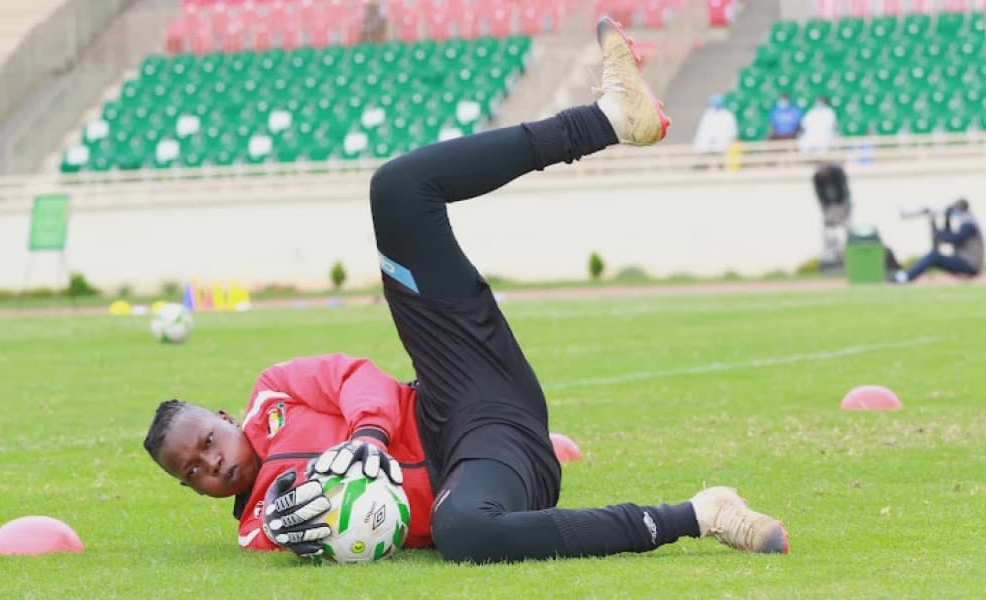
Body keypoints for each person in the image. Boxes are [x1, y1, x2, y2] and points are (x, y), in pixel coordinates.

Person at [143, 18, 789, 564]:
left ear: (225, 418)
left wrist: (367, 438)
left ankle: (607, 119)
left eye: (207, 443)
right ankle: (703, 513)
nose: (210, 465)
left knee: (396, 189)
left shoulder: (274, 391)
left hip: (458, 390)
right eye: (192, 471)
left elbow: (356, 377)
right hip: (486, 462)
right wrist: (302, 524)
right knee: (463, 533)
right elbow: (350, 536)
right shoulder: (261, 526)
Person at [894, 199, 983, 283]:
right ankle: (904, 277)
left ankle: (904, 278)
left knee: (933, 256)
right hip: (966, 263)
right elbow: (949, 236)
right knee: (934, 256)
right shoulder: (969, 222)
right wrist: (946, 219)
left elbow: (951, 239)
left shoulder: (969, 225)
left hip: (970, 265)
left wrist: (935, 228)